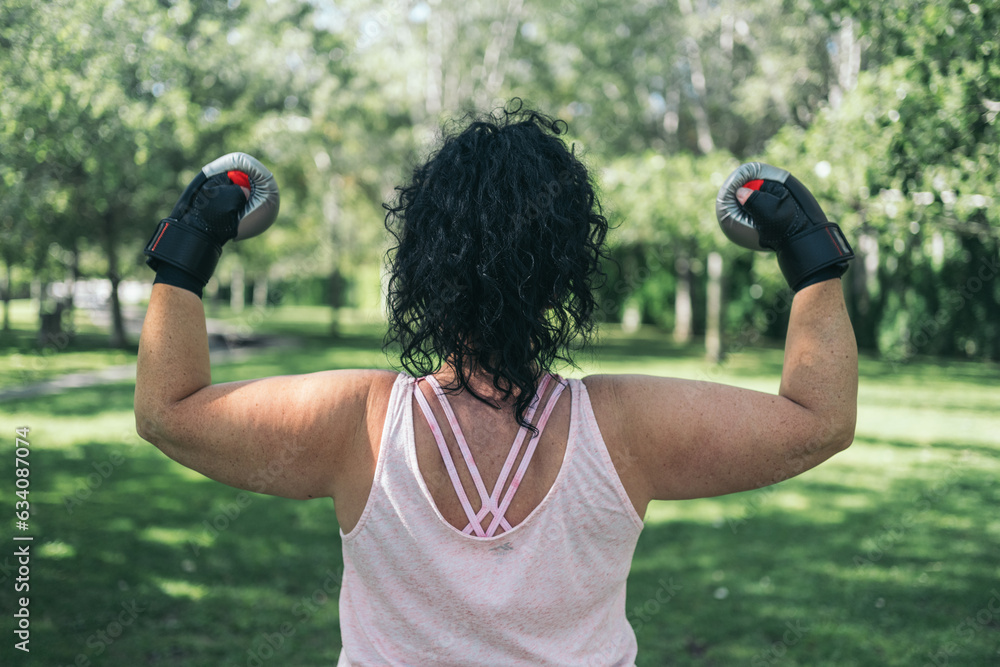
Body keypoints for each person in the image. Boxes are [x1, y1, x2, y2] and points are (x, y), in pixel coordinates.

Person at [135, 101, 857, 666]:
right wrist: (809, 251)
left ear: (419, 261)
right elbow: (819, 419)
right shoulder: (627, 426)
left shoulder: (356, 422)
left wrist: (188, 247)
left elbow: (168, 409)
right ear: (568, 267)